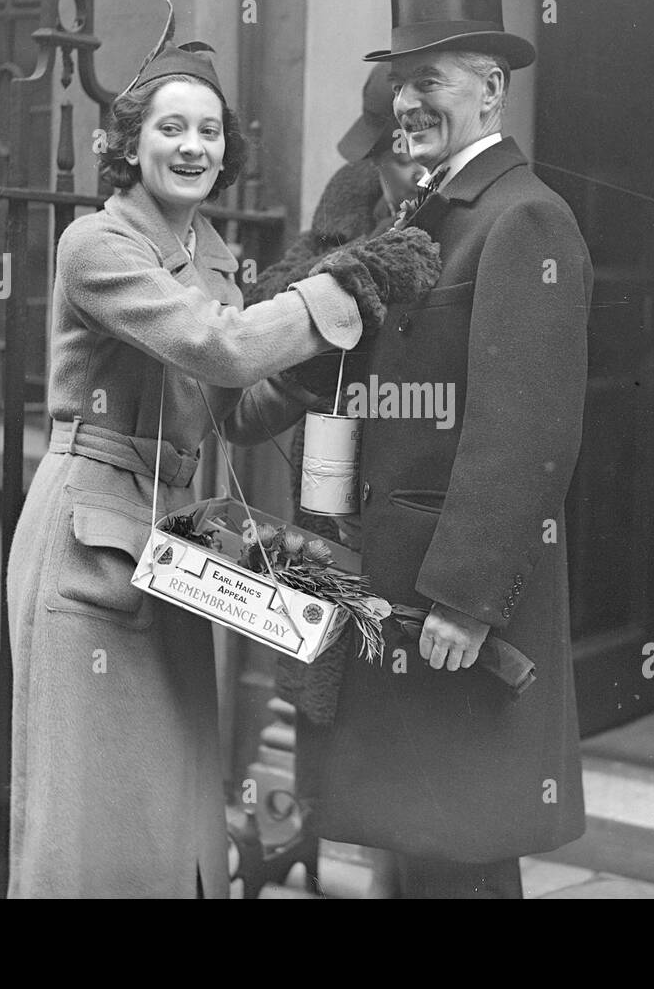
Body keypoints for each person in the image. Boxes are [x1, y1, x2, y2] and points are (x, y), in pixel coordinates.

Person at [5, 7, 440, 898]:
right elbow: (220, 348)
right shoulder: (97, 245)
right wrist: (339, 287)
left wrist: (328, 364)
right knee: (91, 826)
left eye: (209, 129)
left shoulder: (213, 256)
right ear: (131, 146)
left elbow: (236, 409)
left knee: (169, 822)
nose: (193, 146)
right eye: (171, 128)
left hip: (165, 543)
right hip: (88, 546)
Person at [317, 0, 596, 899]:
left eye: (426, 80)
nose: (405, 103)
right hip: (397, 586)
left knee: (460, 857)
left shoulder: (523, 221)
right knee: (420, 846)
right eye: (399, 82)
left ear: (491, 89)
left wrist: (468, 599)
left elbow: (525, 429)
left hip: (449, 603)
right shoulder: (437, 212)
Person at [243, 64, 423, 897]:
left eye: (398, 143)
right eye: (384, 147)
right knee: (310, 673)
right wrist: (351, 270)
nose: (393, 160)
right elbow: (290, 291)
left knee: (395, 684)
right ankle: (299, 837)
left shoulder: (462, 202)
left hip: (411, 477)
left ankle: (384, 860)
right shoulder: (353, 191)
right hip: (331, 471)